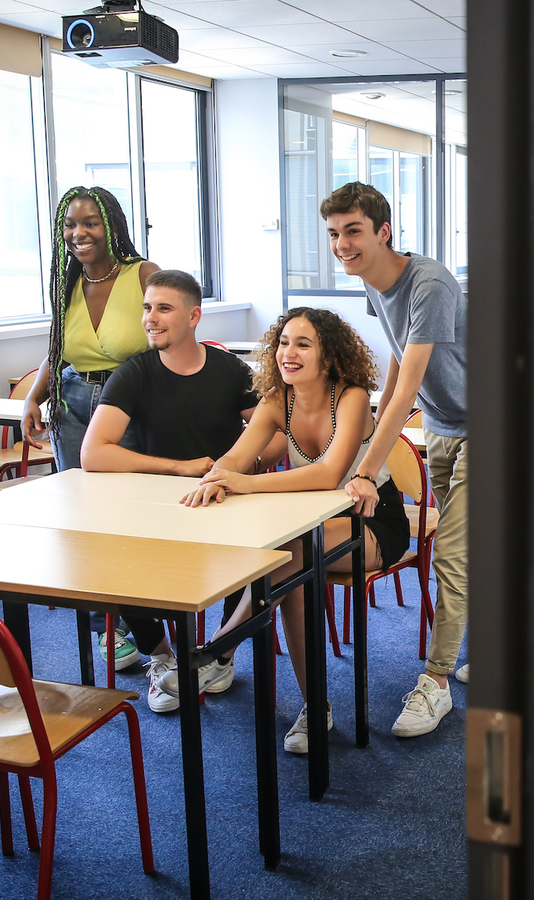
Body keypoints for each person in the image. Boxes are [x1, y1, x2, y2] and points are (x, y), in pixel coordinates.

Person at [176, 308, 412, 753]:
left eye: (303, 344)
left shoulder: (352, 396)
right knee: (292, 572)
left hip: (373, 520)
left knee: (291, 553)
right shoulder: (274, 401)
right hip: (312, 527)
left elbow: (329, 473)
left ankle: (219, 649)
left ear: (329, 356)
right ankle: (314, 708)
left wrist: (246, 483)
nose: (289, 352)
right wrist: (218, 478)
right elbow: (235, 457)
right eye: (284, 342)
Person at [326, 182, 470, 738]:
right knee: (469, 546)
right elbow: (395, 359)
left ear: (384, 232)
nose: (343, 244)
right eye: (335, 234)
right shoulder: (372, 282)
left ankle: (435, 682)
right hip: (442, 424)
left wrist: (364, 468)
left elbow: (408, 386)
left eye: (354, 231)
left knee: (451, 553)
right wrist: (367, 441)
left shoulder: (427, 281)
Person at [81, 269, 260, 712]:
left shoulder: (231, 370)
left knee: (256, 551)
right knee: (111, 560)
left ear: (194, 316)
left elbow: (271, 432)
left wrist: (234, 467)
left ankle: (219, 656)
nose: (150, 318)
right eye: (146, 308)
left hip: (222, 502)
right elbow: (94, 453)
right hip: (153, 507)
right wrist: (178, 468)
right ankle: (163, 659)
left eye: (163, 308)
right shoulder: (133, 374)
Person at [19, 185, 160, 674]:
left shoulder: (143, 275)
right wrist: (34, 397)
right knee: (83, 523)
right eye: (70, 225)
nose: (79, 233)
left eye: (90, 223)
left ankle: (154, 629)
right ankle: (111, 629)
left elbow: (171, 336)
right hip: (74, 403)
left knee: (134, 520)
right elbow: (57, 346)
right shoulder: (67, 283)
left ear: (111, 225)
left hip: (132, 403)